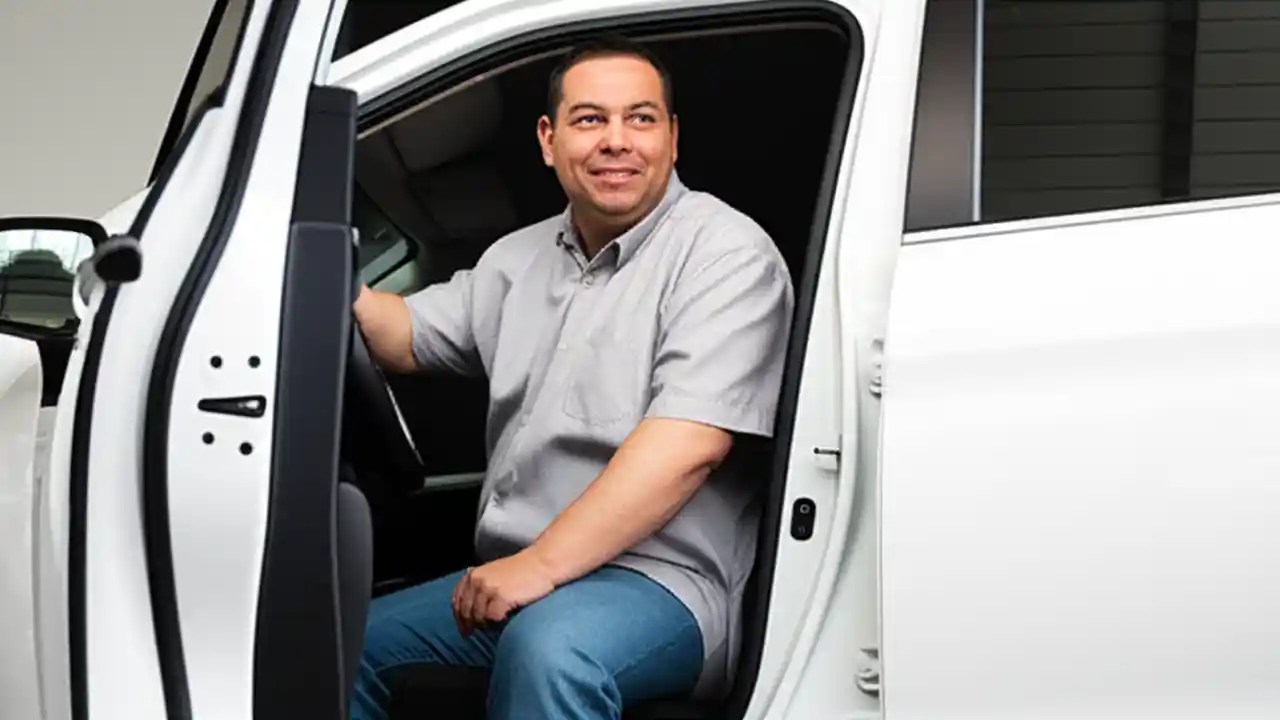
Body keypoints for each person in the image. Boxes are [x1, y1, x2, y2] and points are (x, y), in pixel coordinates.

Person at [349, 35, 794, 720]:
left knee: (551, 649)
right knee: (347, 648)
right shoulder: (516, 259)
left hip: (660, 584)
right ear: (548, 139)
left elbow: (686, 447)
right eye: (590, 119)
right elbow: (401, 336)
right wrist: (313, 266)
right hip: (527, 577)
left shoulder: (727, 255)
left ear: (672, 139)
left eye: (640, 119)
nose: (617, 140)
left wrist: (540, 567)